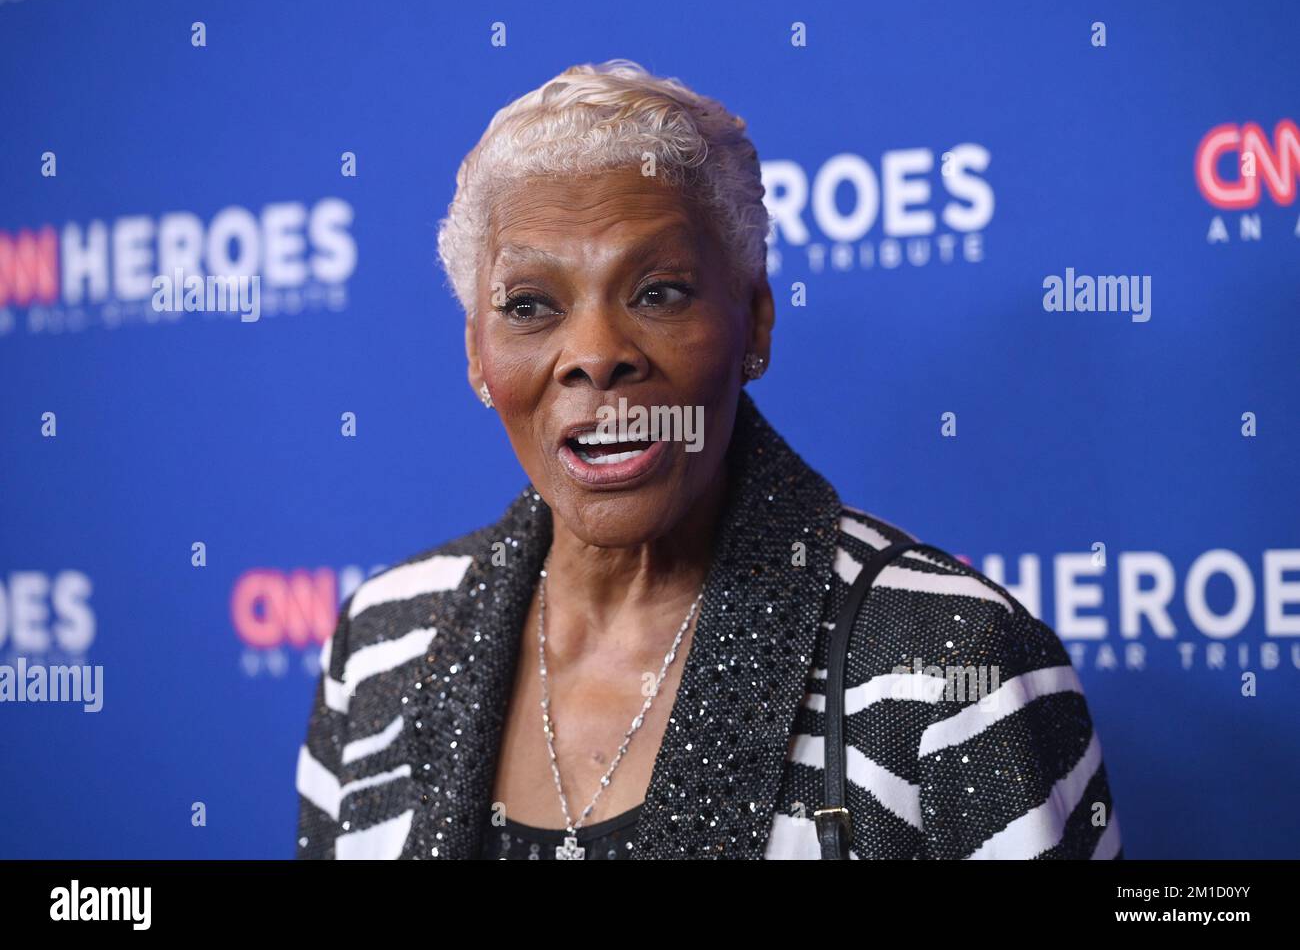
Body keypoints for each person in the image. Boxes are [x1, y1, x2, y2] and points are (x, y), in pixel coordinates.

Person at [294, 59, 1122, 860]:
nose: (595, 353)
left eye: (658, 292)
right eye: (530, 306)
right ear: (479, 356)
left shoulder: (949, 663)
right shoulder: (383, 645)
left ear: (755, 322)